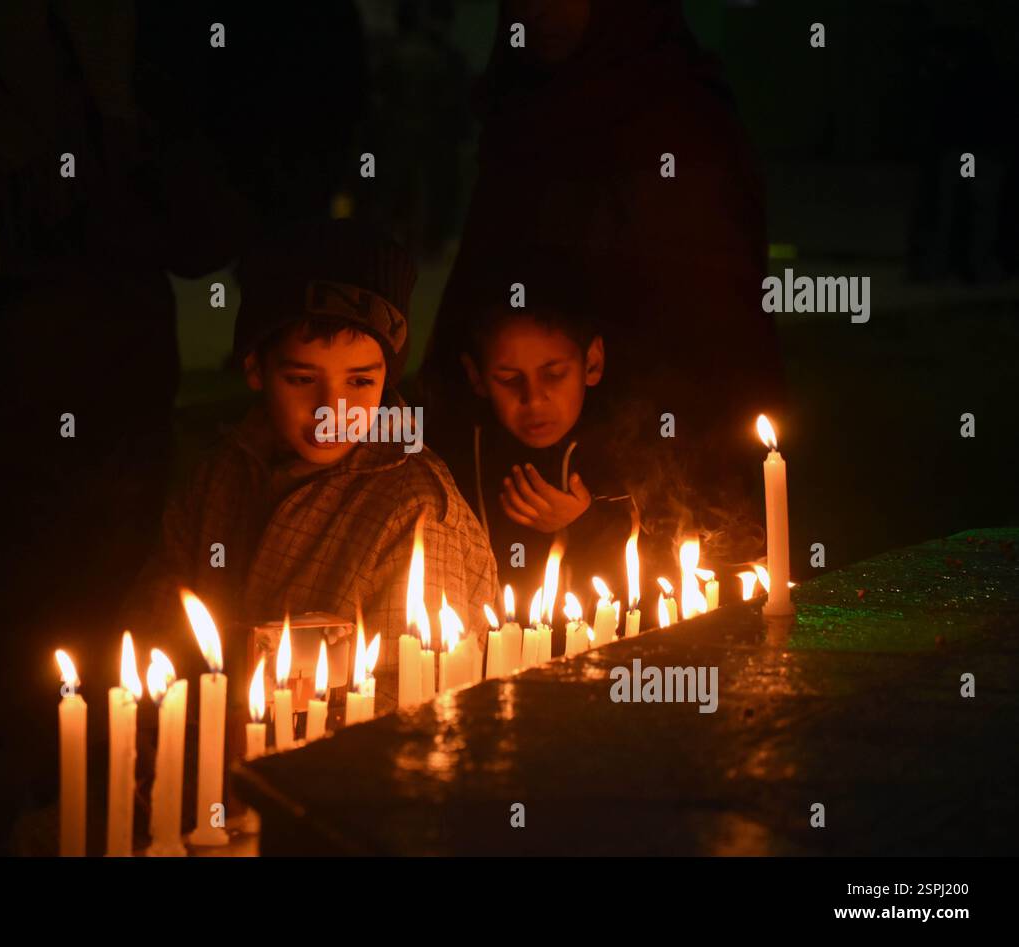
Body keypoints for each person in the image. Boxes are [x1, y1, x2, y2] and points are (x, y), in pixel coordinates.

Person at [422, 0, 786, 568]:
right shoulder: (521, 108)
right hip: (526, 401)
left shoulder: (677, 111)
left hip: (659, 415)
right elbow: (488, 262)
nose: (536, 10)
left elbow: (716, 300)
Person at [118, 219, 500, 711]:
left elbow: (412, 699)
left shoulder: (416, 508)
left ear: (387, 378)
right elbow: (156, 621)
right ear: (255, 368)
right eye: (301, 379)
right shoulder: (219, 476)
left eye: (359, 382)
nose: (330, 410)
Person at [444, 262, 632, 612]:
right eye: (509, 379)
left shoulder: (628, 452)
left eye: (554, 374)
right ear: (476, 376)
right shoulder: (454, 458)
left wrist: (584, 522)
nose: (533, 398)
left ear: (592, 363)